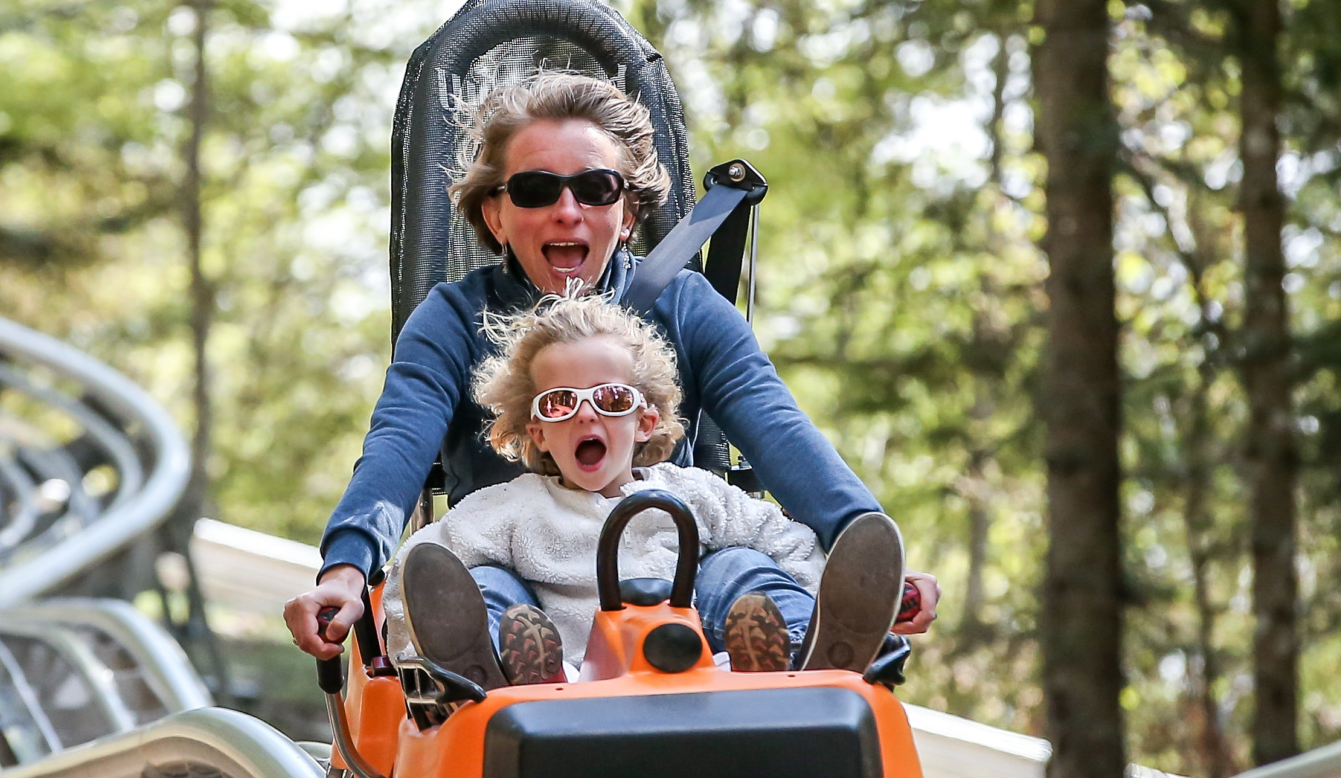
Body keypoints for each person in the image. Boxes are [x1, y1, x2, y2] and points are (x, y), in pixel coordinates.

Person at [284, 68, 938, 683]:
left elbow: (780, 432)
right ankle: (485, 679)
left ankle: (801, 656)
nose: (567, 210)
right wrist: (345, 571)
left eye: (594, 189)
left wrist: (874, 560)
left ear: (626, 214)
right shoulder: (456, 319)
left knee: (744, 569)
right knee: (480, 589)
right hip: (525, 588)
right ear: (495, 215)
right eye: (538, 190)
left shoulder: (686, 306)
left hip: (673, 591)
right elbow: (397, 447)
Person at [401, 295, 841, 682]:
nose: (586, 416)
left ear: (645, 422)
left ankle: (808, 648)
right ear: (538, 433)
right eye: (560, 403)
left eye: (611, 400)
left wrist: (824, 600)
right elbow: (419, 571)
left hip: (709, 671)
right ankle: (491, 672)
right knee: (486, 586)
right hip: (567, 687)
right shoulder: (514, 508)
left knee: (742, 566)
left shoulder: (694, 492)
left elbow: (789, 543)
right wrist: (404, 647)